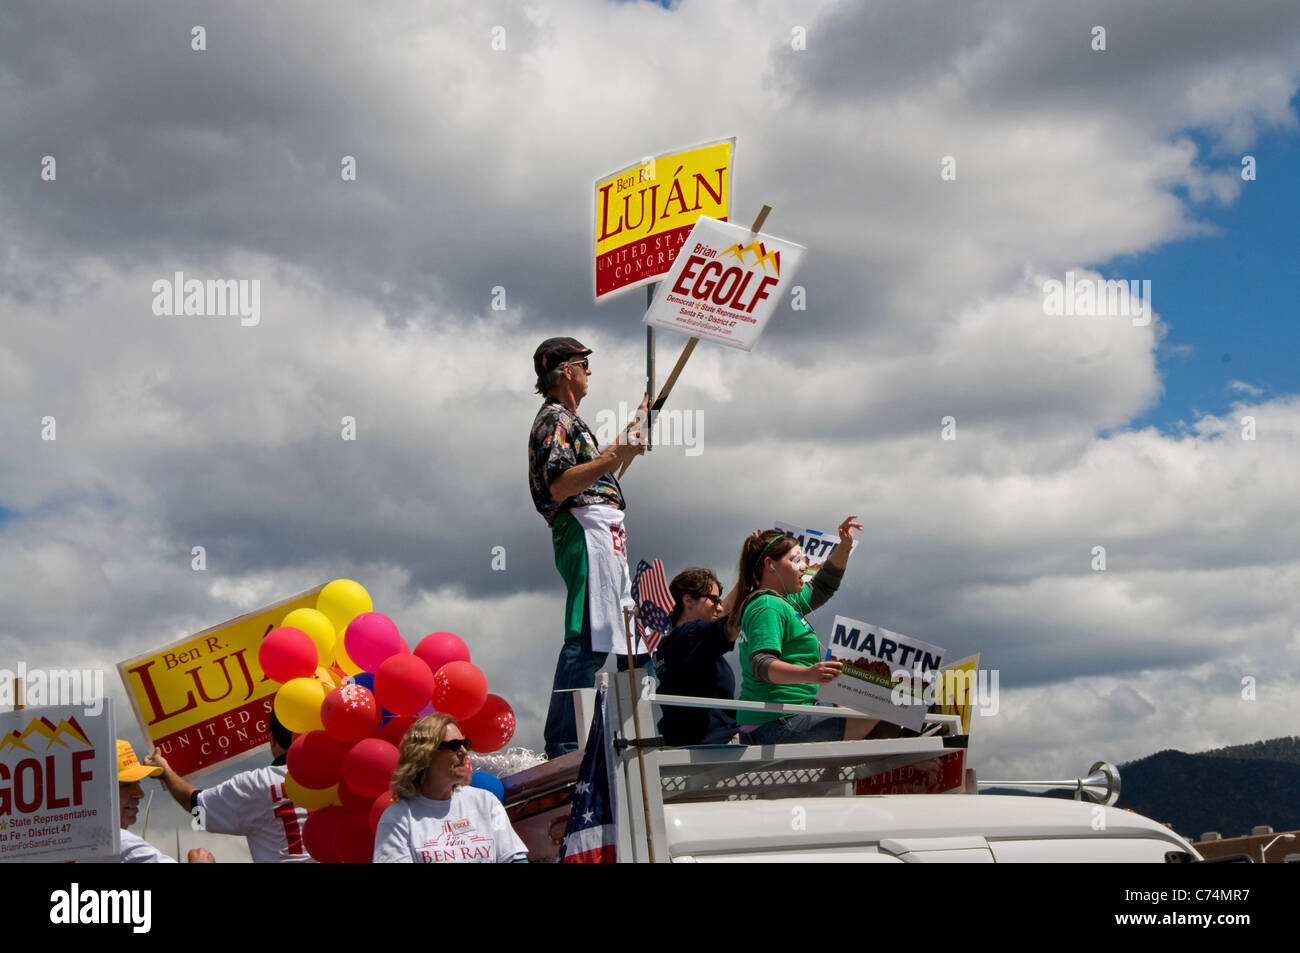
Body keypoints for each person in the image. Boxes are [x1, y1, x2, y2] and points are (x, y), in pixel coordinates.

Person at [528, 336, 650, 758]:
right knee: (587, 635)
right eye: (584, 363)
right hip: (586, 531)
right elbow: (562, 485)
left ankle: (637, 735)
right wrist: (618, 450)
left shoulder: (568, 422)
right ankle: (561, 744)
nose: (589, 371)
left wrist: (629, 433)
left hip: (603, 533)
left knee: (628, 641)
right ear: (566, 371)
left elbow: (598, 474)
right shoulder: (553, 420)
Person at [734, 516, 882, 744]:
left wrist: (844, 546)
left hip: (782, 718)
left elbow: (824, 584)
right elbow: (761, 664)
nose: (805, 565)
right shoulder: (767, 605)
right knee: (885, 701)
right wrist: (809, 674)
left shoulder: (784, 601)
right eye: (796, 560)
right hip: (778, 723)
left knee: (865, 696)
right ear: (770, 564)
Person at [145, 711, 313, 863]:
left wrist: (166, 772)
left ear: (272, 738)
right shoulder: (333, 775)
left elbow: (195, 804)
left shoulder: (257, 783)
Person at [372, 714, 527, 863]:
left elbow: (514, 859)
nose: (464, 752)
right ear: (425, 756)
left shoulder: (485, 802)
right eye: (453, 746)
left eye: (465, 744)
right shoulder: (398, 818)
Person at [655, 567, 742, 746]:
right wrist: (755, 578)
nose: (719, 607)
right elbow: (731, 624)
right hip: (716, 748)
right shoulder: (689, 635)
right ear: (688, 600)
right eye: (713, 600)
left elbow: (723, 613)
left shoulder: (673, 643)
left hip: (692, 745)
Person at [115, 739, 214, 864]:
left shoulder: (88, 841)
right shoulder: (119, 844)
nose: (140, 794)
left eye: (138, 783)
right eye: (126, 785)